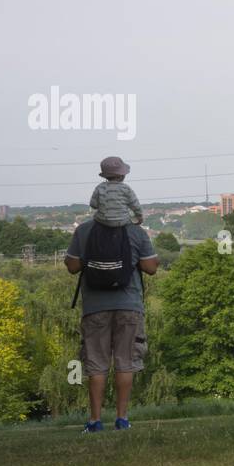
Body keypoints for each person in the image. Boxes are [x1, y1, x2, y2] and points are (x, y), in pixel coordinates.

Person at [66, 163, 158, 432]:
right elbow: (151, 268)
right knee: (125, 362)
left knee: (96, 365)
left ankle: (94, 421)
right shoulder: (136, 231)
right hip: (129, 305)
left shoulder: (84, 231)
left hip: (95, 307)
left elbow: (72, 267)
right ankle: (122, 419)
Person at [90, 156, 144, 226]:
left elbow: (93, 205)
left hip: (102, 221)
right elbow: (136, 206)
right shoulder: (126, 188)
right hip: (123, 221)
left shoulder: (99, 188)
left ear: (105, 176)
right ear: (121, 175)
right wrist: (139, 217)